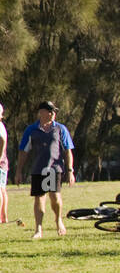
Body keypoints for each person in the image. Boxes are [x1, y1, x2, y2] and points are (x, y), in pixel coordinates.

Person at [15, 100, 75, 239]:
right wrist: (18, 171)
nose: (53, 114)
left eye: (53, 111)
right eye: (50, 111)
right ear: (41, 112)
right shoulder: (31, 130)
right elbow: (23, 152)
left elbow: (67, 151)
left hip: (55, 168)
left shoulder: (60, 129)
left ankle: (58, 219)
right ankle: (38, 229)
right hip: (38, 169)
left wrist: (70, 170)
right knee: (39, 198)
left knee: (55, 197)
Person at [0, 103, 8, 224]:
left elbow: (2, 139)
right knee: (2, 189)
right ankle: (4, 216)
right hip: (3, 162)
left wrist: (0, 156)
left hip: (0, 162)